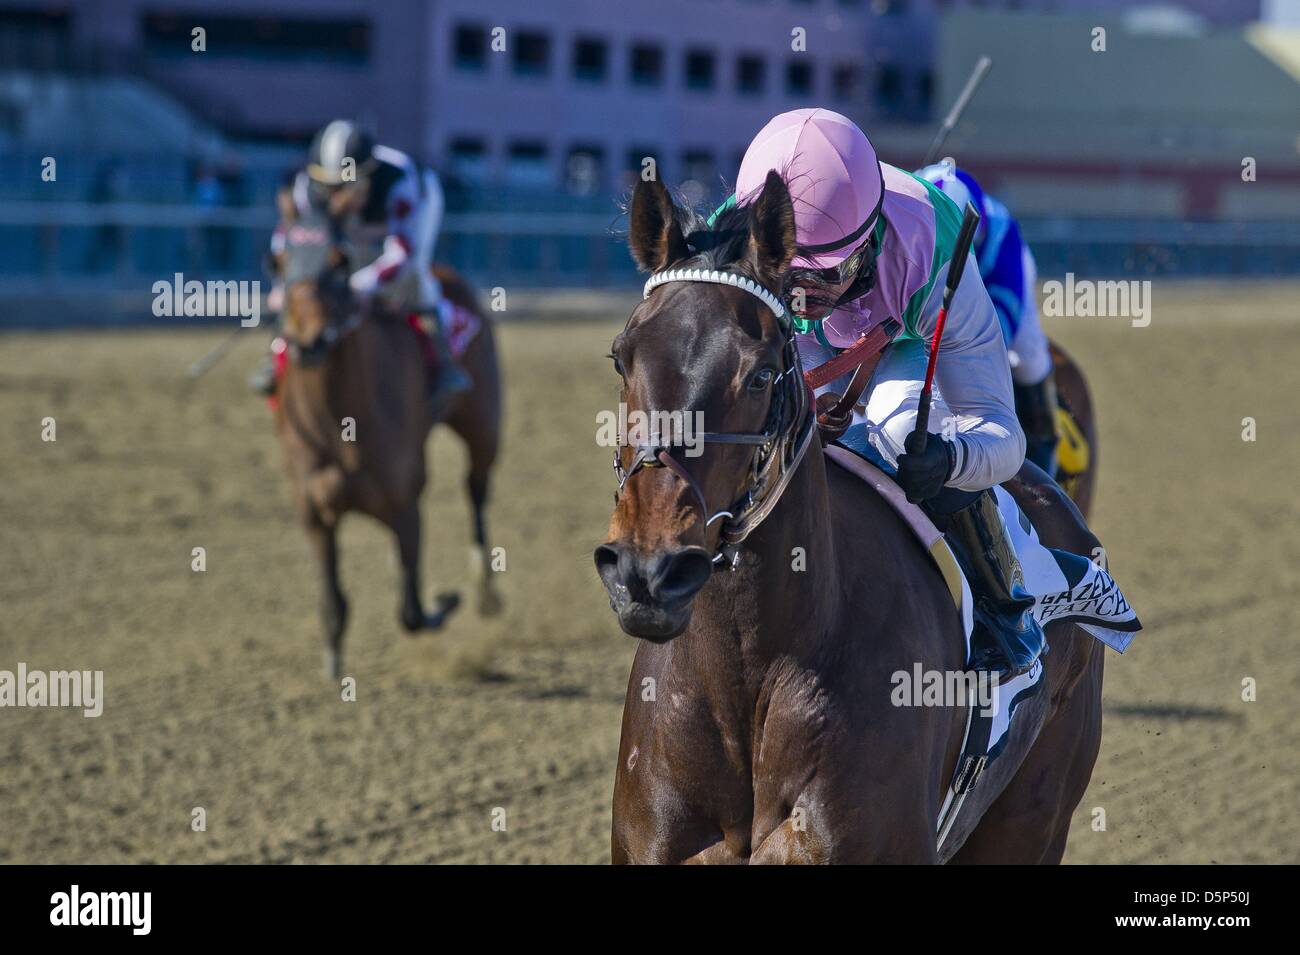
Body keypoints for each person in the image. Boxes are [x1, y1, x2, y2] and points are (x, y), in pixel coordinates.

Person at [727, 108, 1043, 679]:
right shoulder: (733, 231)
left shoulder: (931, 250)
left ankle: (1005, 607)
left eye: (822, 274)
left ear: (868, 244)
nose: (801, 298)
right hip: (798, 343)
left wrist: (952, 458)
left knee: (900, 434)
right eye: (784, 275)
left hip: (898, 338)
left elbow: (1003, 434)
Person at [252, 120, 469, 417]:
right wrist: (283, 286)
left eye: (343, 186)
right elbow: (290, 241)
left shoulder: (402, 185)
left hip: (414, 213)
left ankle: (442, 360)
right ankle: (275, 359)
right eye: (328, 187)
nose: (334, 196)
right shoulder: (308, 189)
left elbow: (402, 254)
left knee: (414, 280)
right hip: (365, 227)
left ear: (366, 176)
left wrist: (361, 284)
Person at [916, 162, 1058, 473]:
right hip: (930, 258)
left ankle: (1045, 442)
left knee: (1026, 355)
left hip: (994, 269)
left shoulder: (1000, 237)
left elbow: (991, 337)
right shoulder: (909, 215)